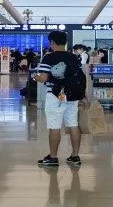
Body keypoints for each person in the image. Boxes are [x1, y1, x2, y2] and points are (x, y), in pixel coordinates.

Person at [35, 31, 86, 168]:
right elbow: (80, 77)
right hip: (72, 95)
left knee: (54, 127)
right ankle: (75, 156)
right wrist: (83, 94)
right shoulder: (74, 57)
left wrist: (36, 76)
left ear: (52, 42)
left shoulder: (49, 57)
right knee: (73, 124)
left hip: (55, 95)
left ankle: (53, 158)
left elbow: (44, 78)